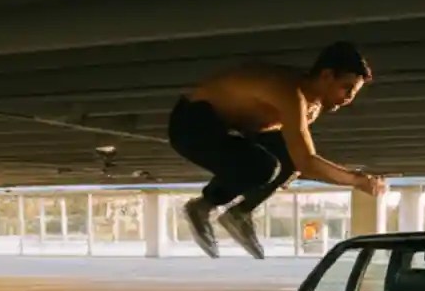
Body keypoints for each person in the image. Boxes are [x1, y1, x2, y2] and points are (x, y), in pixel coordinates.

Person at [166, 41, 387, 258]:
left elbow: (297, 160)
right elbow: (307, 162)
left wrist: (288, 170)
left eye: (353, 92)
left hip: (228, 126)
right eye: (346, 88)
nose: (349, 98)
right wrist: (358, 180)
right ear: (326, 76)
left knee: (287, 162)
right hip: (191, 123)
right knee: (266, 166)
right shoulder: (291, 93)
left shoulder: (312, 107)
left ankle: (239, 214)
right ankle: (202, 207)